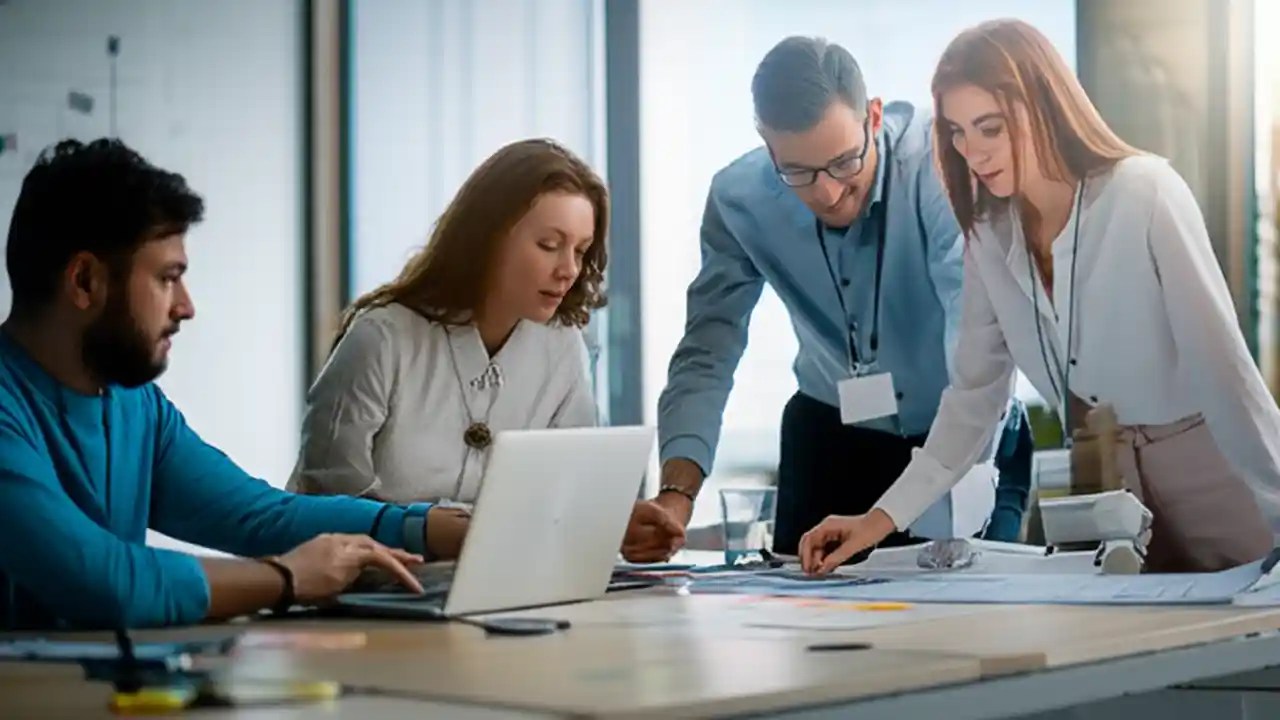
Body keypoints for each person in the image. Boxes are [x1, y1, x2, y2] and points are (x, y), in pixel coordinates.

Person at [800, 18, 1280, 575]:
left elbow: (1227, 377)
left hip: (1216, 480)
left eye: (991, 127)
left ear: (1044, 105)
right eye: (957, 131)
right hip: (1110, 497)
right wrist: (875, 521)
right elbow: (974, 401)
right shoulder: (988, 235)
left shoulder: (1144, 194)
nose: (972, 151)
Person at [0, 138, 470, 631]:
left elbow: (260, 517)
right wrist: (286, 577)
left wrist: (426, 527)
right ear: (84, 282)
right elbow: (104, 581)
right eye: (167, 278)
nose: (185, 306)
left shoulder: (134, 405)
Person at [622, 36, 1032, 563]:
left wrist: (938, 476)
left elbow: (974, 332)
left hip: (963, 433)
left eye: (844, 163)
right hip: (832, 435)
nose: (828, 194)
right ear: (767, 146)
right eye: (798, 172)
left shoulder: (941, 166)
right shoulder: (737, 200)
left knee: (970, 618)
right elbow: (708, 350)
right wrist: (676, 496)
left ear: (875, 118)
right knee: (808, 621)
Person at [287, 138, 612, 507]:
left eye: (581, 251)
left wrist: (621, 521)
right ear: (488, 238)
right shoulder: (383, 339)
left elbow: (572, 492)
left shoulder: (562, 346)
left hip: (502, 565)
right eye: (549, 245)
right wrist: (420, 531)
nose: (569, 270)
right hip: (369, 564)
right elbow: (330, 503)